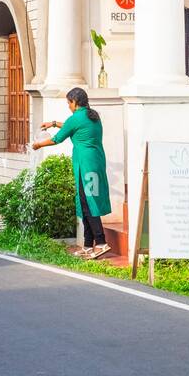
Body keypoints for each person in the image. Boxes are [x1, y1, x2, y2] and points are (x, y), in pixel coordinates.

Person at [32, 87, 112, 259]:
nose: (68, 106)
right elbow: (71, 127)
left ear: (75, 103)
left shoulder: (76, 118)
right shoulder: (92, 115)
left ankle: (101, 242)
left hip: (86, 165)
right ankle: (88, 245)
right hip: (95, 162)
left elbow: (57, 138)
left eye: (69, 102)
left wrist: (38, 145)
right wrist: (54, 123)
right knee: (87, 202)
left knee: (88, 203)